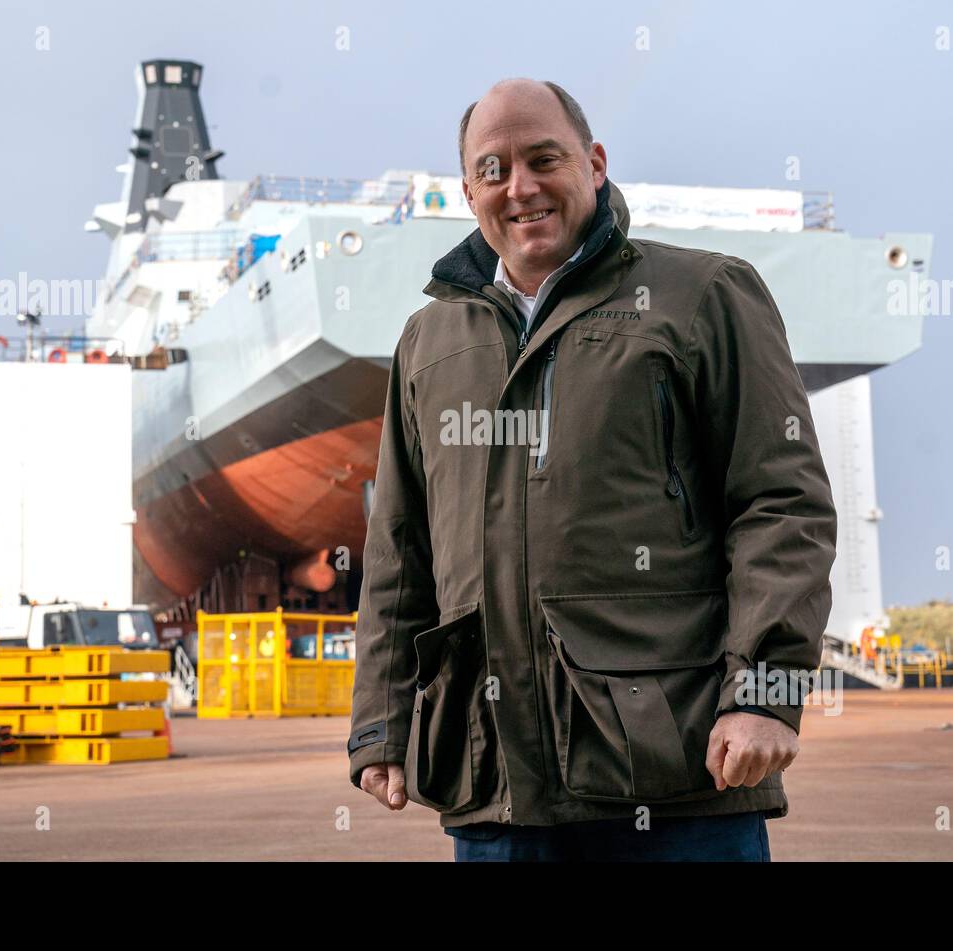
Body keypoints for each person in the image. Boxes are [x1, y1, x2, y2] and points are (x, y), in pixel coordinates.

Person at [347, 78, 838, 862]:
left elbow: (782, 505)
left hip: (679, 784)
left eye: (545, 158)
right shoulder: (428, 341)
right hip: (494, 791)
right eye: (495, 168)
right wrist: (380, 719)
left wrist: (767, 696)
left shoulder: (703, 295)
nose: (522, 187)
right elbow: (398, 553)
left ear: (596, 163)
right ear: (468, 189)